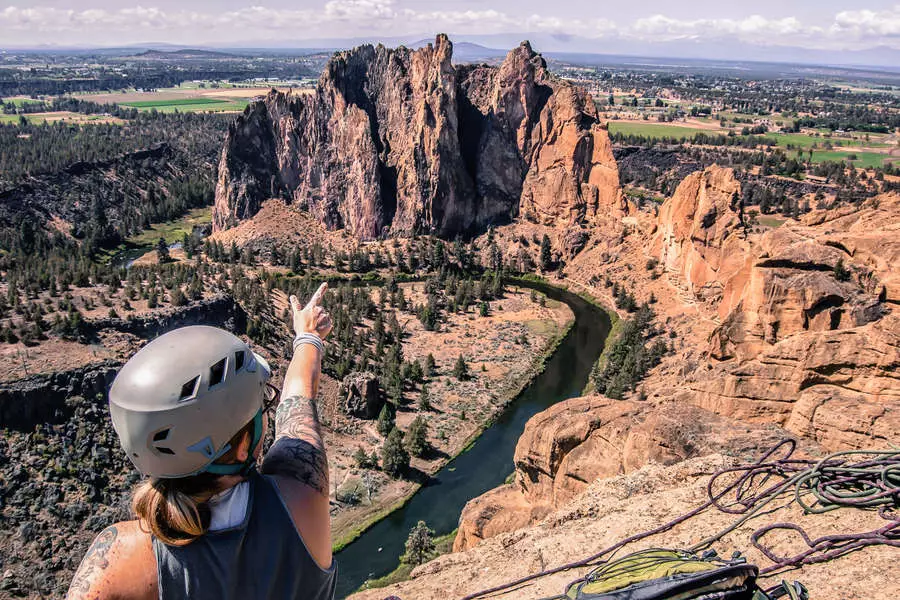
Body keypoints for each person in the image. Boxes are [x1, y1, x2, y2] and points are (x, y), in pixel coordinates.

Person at [66, 283, 336, 600]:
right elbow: (299, 395)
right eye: (259, 411)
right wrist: (308, 336)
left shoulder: (118, 561)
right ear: (241, 447)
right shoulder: (302, 498)